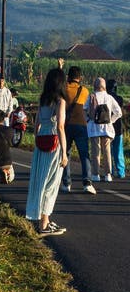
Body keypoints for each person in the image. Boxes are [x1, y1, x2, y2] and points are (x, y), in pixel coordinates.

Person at [25, 68, 68, 237]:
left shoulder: (43, 99)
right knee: (52, 182)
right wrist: (64, 153)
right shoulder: (60, 101)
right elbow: (60, 126)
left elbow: (36, 125)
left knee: (40, 180)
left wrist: (38, 139)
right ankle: (44, 223)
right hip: (54, 142)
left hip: (41, 142)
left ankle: (44, 220)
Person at [58, 63, 94, 194]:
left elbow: (58, 84)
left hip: (66, 125)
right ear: (80, 78)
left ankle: (67, 183)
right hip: (81, 124)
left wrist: (60, 68)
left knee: (65, 153)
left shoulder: (63, 88)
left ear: (69, 76)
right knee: (84, 154)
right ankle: (87, 183)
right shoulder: (84, 91)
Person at [84, 77, 122, 182]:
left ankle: (95, 175)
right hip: (107, 128)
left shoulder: (91, 96)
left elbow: (84, 110)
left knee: (95, 152)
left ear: (95, 86)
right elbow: (119, 112)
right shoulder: (109, 97)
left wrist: (87, 120)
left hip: (94, 128)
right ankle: (107, 175)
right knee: (107, 151)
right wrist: (111, 120)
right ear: (104, 86)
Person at [106, 78, 125, 178]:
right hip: (118, 128)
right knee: (118, 151)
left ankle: (110, 171)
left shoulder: (105, 98)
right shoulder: (120, 99)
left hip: (107, 128)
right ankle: (121, 172)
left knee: (108, 151)